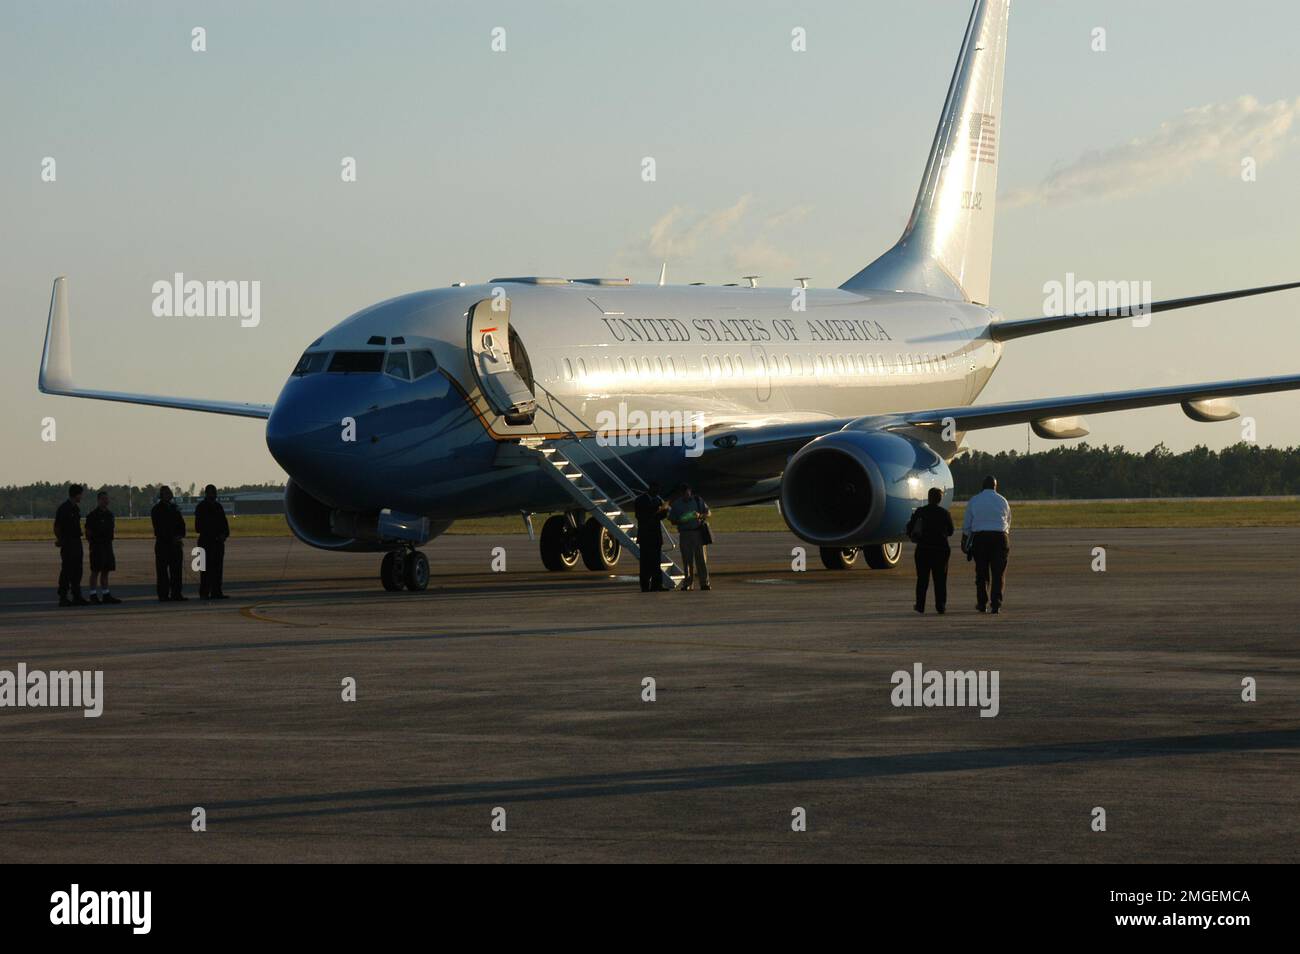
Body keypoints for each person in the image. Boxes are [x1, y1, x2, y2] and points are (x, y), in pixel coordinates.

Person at [962, 475, 1011, 614]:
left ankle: (982, 603)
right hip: (1000, 537)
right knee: (998, 574)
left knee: (981, 573)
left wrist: (965, 541)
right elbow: (1008, 522)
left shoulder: (974, 500)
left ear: (982, 486)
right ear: (995, 486)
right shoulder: (1002, 500)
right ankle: (996, 604)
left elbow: (967, 525)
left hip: (981, 539)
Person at [906, 487, 954, 614]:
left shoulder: (920, 512)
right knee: (940, 580)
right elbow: (951, 531)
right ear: (940, 499)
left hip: (923, 549)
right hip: (940, 550)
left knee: (922, 579)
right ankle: (941, 606)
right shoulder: (944, 513)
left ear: (928, 498)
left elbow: (910, 528)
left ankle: (920, 605)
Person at [669, 483, 712, 591]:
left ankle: (704, 583)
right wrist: (678, 520)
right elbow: (672, 519)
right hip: (684, 533)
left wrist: (700, 515)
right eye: (683, 493)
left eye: (687, 492)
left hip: (697, 532)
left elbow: (708, 513)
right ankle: (688, 583)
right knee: (687, 560)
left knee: (701, 559)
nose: (685, 495)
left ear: (690, 492)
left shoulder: (697, 500)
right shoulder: (676, 504)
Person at [84, 489, 121, 604]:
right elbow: (88, 532)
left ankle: (106, 593)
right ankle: (93, 594)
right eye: (103, 499)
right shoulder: (92, 515)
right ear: (98, 500)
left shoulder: (110, 515)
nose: (106, 501)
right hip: (96, 546)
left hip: (107, 545)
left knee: (106, 570)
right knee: (95, 570)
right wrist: (93, 542)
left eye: (107, 499)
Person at [150, 486, 187, 602]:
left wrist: (180, 536)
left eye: (169, 493)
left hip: (175, 545)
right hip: (163, 544)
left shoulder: (175, 508)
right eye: (165, 493)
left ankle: (176, 593)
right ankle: (163, 594)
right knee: (162, 572)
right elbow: (158, 528)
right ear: (161, 495)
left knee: (176, 571)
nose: (168, 495)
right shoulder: (156, 510)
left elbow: (182, 524)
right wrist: (171, 538)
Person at [194, 484, 231, 599]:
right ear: (206, 493)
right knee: (205, 569)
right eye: (211, 492)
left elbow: (224, 524)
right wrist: (214, 534)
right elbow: (198, 527)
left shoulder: (218, 506)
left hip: (218, 543)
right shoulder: (201, 507)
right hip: (206, 542)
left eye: (214, 492)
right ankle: (204, 592)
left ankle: (216, 592)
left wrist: (224, 534)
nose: (213, 495)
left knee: (217, 569)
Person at [54, 483, 88, 607]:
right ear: (77, 494)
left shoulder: (75, 508)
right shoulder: (64, 508)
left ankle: (76, 596)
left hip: (76, 542)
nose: (82, 497)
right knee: (67, 570)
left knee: (77, 570)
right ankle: (63, 597)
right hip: (68, 543)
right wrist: (60, 540)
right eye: (81, 494)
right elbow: (57, 527)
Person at [633, 481, 669, 592]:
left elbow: (660, 516)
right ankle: (645, 586)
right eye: (656, 490)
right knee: (645, 562)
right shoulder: (640, 500)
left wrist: (664, 510)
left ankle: (656, 585)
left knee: (656, 562)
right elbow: (640, 516)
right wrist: (656, 511)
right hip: (645, 536)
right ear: (650, 489)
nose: (657, 492)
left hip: (656, 536)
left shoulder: (658, 500)